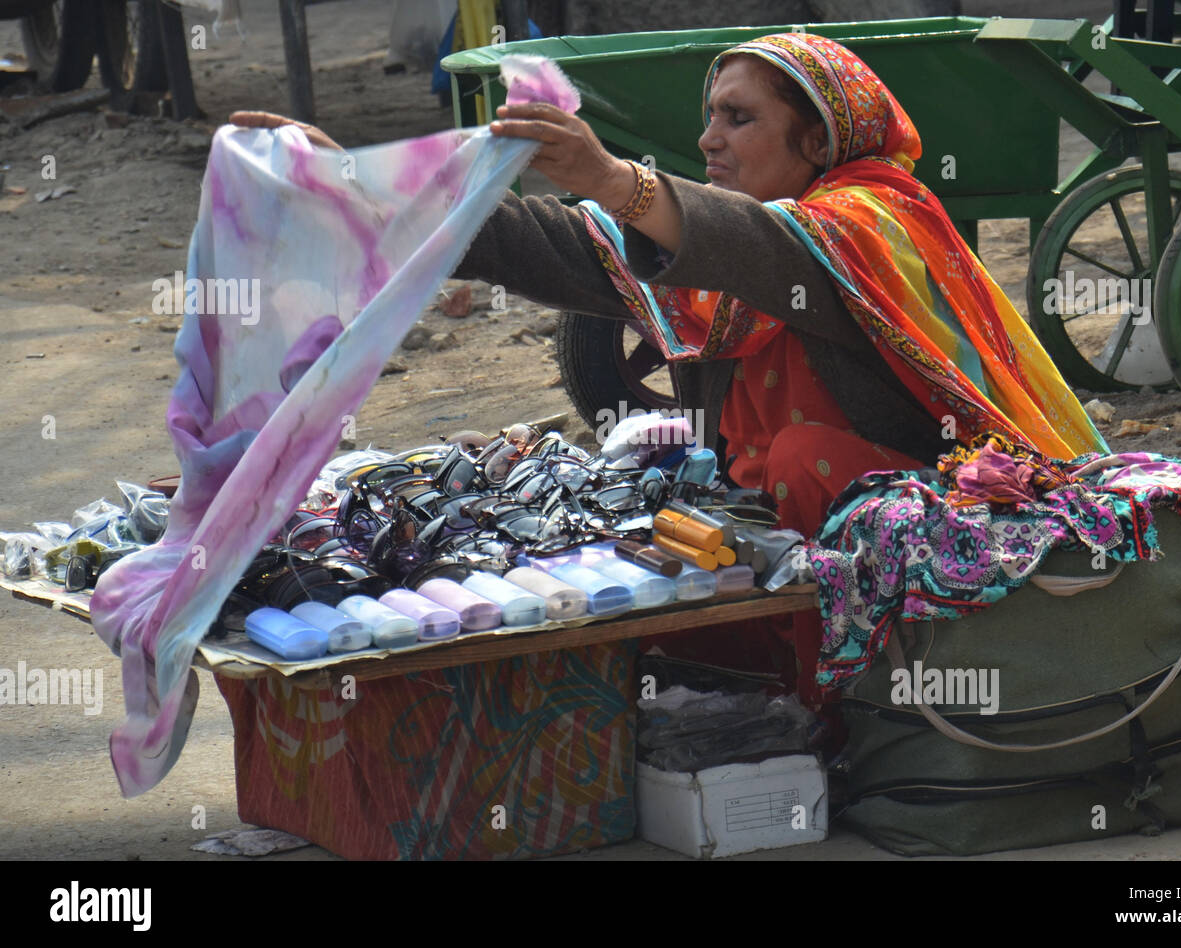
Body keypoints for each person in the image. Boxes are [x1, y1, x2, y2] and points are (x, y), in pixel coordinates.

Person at [234, 32, 1104, 721]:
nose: (708, 138)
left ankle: (845, 710)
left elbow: (762, 249)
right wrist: (357, 184)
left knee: (801, 454)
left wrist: (614, 179)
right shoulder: (733, 239)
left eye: (738, 118)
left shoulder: (870, 223)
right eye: (710, 116)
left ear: (817, 137)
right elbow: (560, 244)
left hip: (931, 519)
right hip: (783, 536)